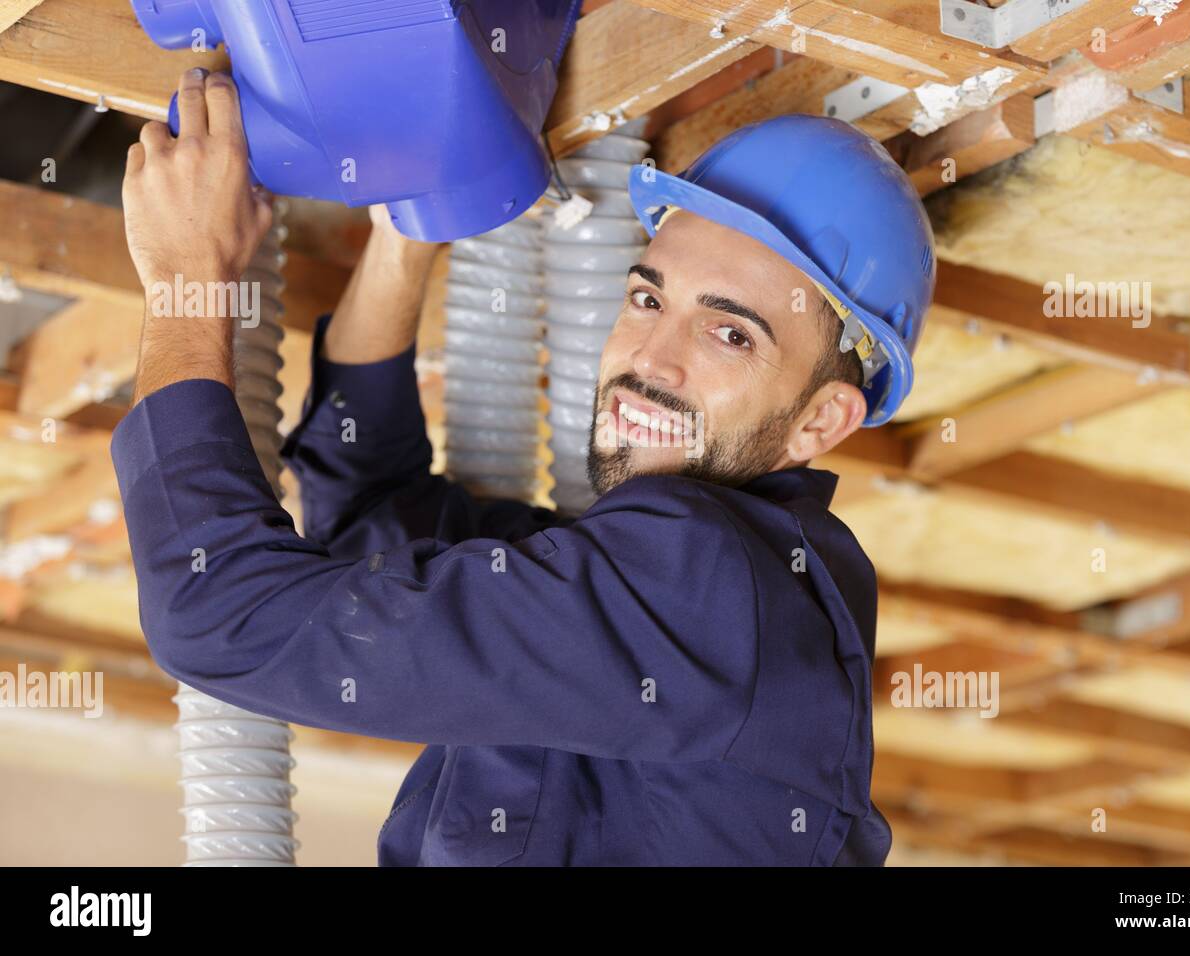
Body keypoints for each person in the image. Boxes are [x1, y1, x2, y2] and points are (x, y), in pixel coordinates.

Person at [114, 68, 934, 866]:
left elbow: (214, 606)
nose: (651, 359)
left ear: (821, 420)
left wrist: (191, 280)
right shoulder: (696, 590)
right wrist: (409, 226)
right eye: (649, 299)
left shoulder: (706, 592)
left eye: (730, 334)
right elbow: (367, 519)